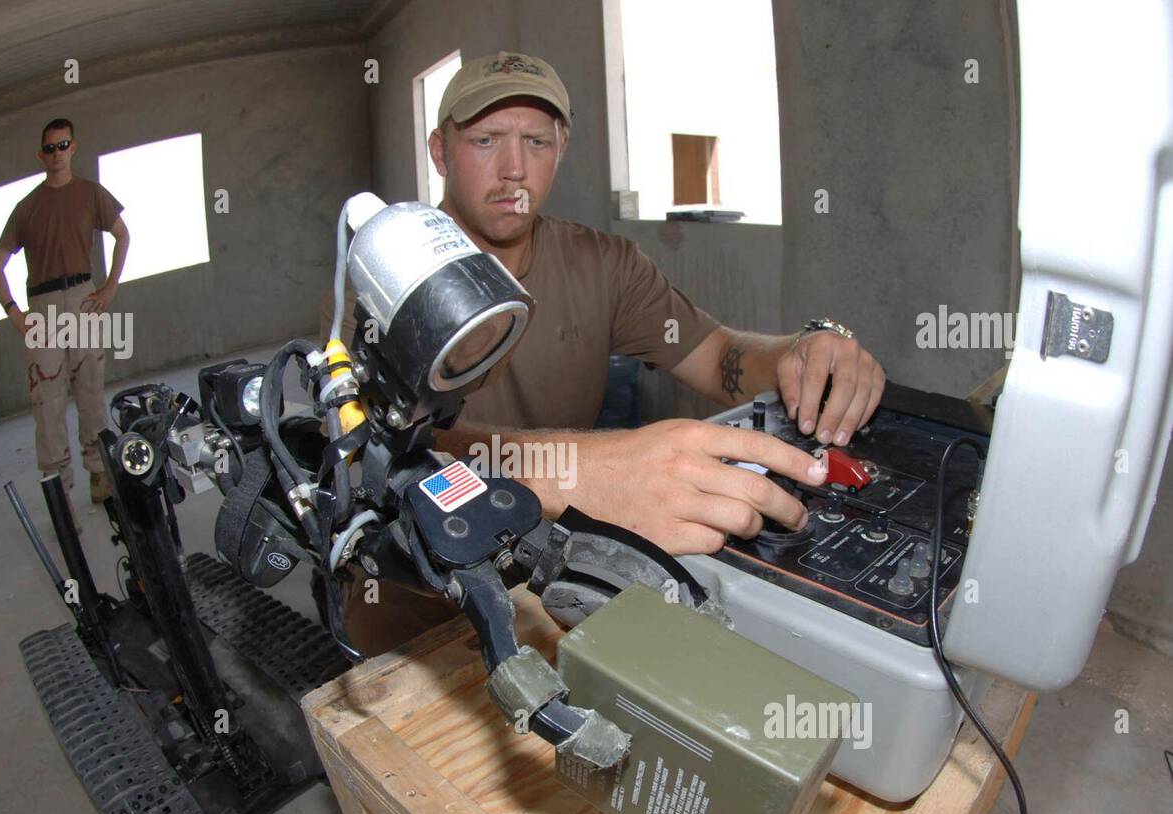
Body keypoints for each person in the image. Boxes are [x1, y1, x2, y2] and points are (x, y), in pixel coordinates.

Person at [322, 51, 886, 655]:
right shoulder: (384, 278)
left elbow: (720, 354)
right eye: (486, 139)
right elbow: (358, 459)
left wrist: (804, 351)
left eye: (537, 141)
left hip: (557, 594)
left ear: (562, 147)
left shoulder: (604, 266)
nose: (514, 170)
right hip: (418, 614)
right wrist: (574, 471)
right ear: (439, 151)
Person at [0, 117, 130, 504]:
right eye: (49, 148)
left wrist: (111, 284)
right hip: (42, 306)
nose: (57, 154)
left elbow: (122, 234)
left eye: (63, 145)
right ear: (41, 154)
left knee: (90, 392)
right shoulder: (26, 208)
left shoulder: (90, 193)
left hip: (83, 298)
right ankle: (59, 490)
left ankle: (100, 474)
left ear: (74, 147)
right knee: (47, 402)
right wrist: (14, 313)